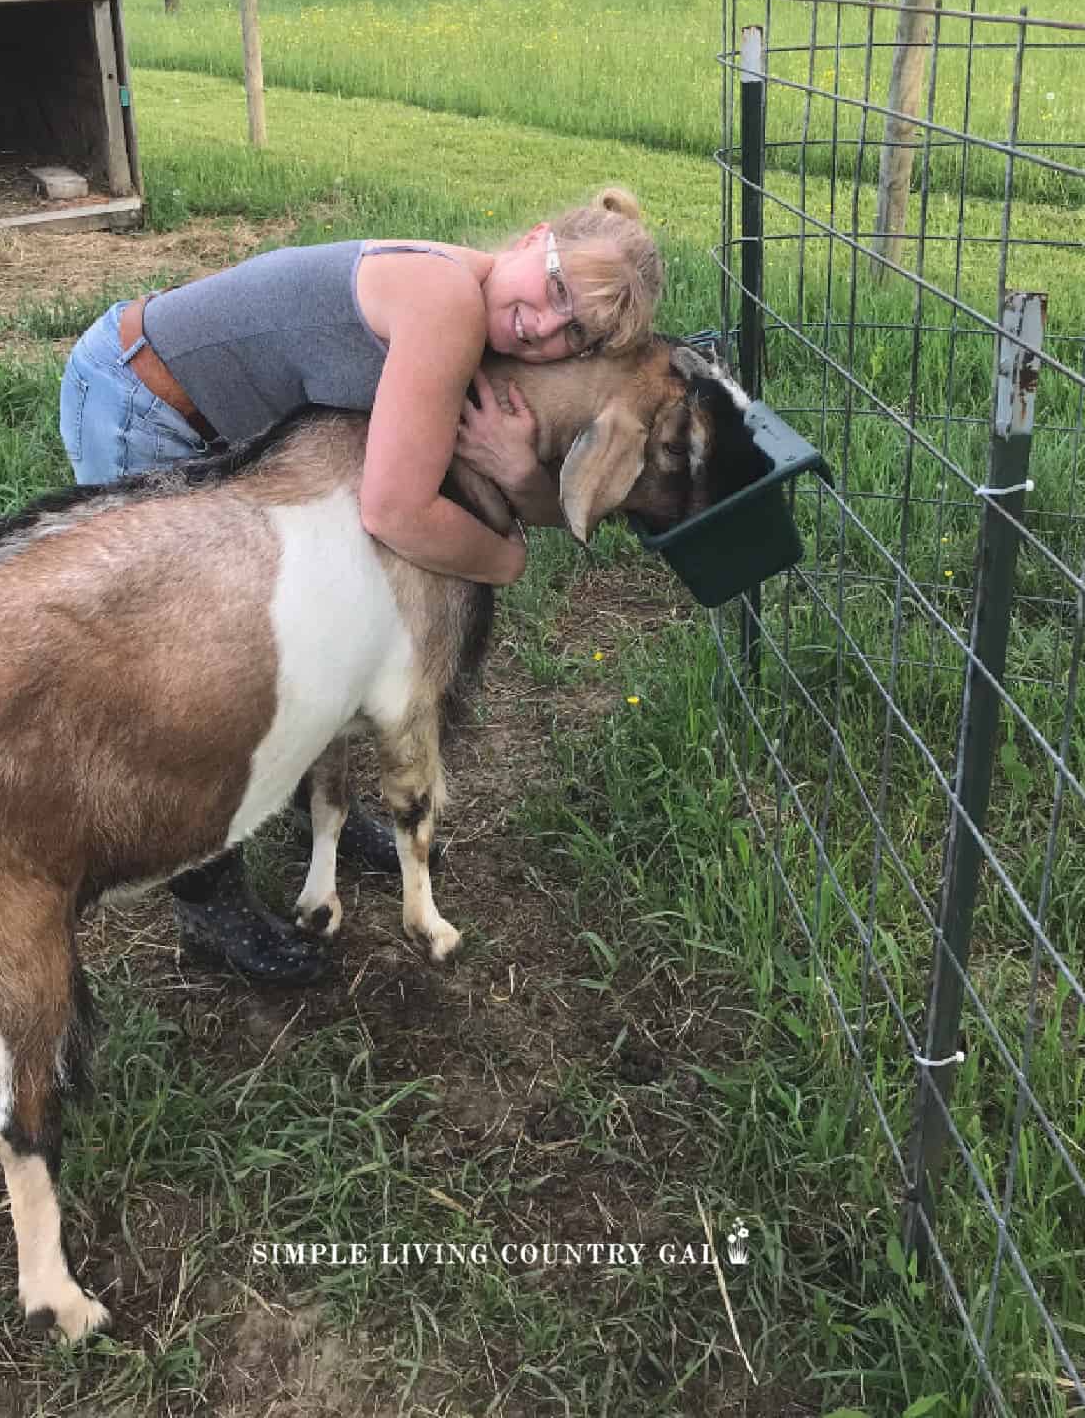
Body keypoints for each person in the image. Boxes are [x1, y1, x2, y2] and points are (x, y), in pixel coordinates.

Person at [59, 187, 664, 982]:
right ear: (533, 237)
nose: (542, 326)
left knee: (301, 638)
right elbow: (394, 509)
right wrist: (507, 559)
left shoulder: (484, 319)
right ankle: (205, 898)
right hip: (142, 401)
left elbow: (538, 497)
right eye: (554, 289)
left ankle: (306, 817)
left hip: (222, 425)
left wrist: (519, 472)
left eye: (573, 333)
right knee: (195, 673)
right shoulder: (446, 305)